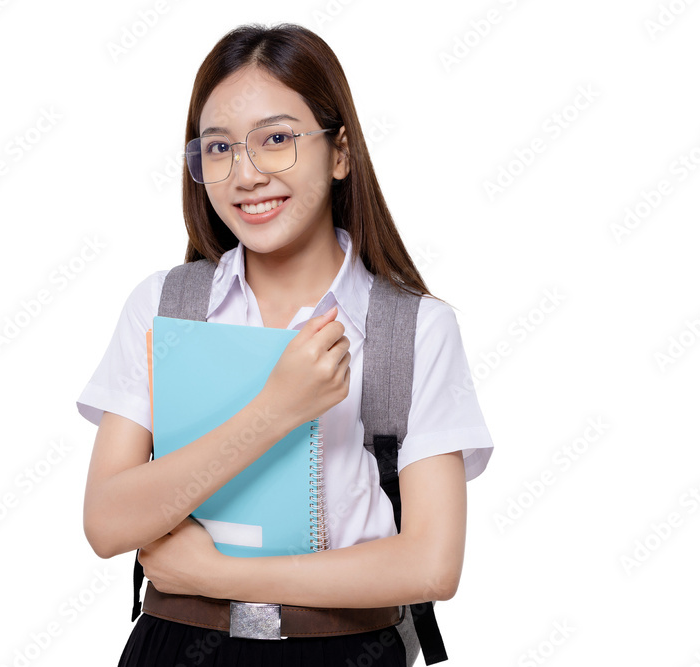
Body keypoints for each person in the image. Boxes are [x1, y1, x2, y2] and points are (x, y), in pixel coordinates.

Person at [76, 22, 495, 666]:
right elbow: (107, 523)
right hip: (174, 647)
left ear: (340, 153)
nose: (246, 174)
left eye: (277, 140)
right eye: (218, 149)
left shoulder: (413, 329)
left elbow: (431, 565)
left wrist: (218, 577)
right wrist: (274, 411)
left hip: (343, 649)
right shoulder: (165, 307)